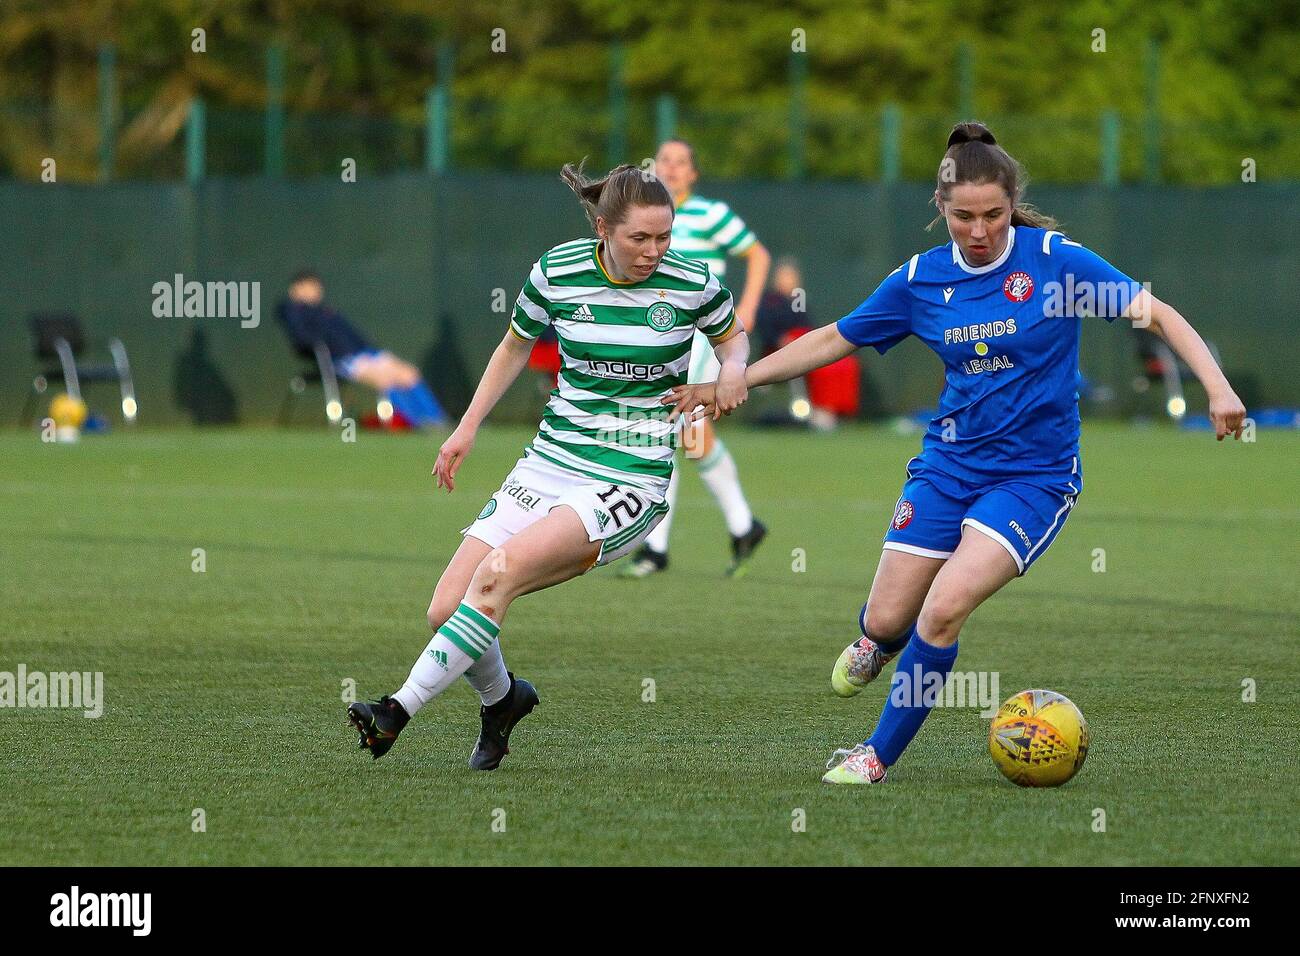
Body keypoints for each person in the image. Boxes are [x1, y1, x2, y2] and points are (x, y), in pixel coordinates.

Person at [665, 122, 1247, 785]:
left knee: (942, 610)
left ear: (1012, 204)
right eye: (964, 216)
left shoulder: (1056, 263)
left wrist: (1218, 387)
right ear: (940, 207)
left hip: (1033, 478)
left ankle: (875, 756)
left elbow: (1158, 313)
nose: (979, 230)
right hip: (947, 467)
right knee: (888, 617)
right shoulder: (920, 279)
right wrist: (735, 379)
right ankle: (877, 640)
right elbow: (833, 338)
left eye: (993, 215)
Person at [347, 161, 748, 769]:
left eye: (664, 237)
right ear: (604, 228)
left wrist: (732, 370)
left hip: (630, 475)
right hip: (550, 461)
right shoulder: (557, 271)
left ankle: (395, 711)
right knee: (445, 609)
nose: (654, 251)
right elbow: (515, 346)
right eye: (640, 238)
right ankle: (503, 700)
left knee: (497, 576)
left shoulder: (692, 282)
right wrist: (466, 427)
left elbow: (732, 338)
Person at [620, 139, 771, 579]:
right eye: (664, 160)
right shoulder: (645, 215)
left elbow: (757, 254)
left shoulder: (710, 213)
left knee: (676, 427)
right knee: (678, 432)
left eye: (680, 162)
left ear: (693, 173)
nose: (670, 167)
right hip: (659, 335)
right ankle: (740, 527)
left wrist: (747, 309)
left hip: (699, 336)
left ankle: (657, 546)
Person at [276, 270, 447, 427]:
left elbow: (355, 336)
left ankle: (438, 420)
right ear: (296, 289)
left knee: (409, 374)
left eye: (316, 287)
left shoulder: (326, 311)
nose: (314, 291)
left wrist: (372, 354)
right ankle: (419, 423)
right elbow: (303, 338)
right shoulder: (293, 311)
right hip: (341, 360)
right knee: (385, 379)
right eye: (308, 287)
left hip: (365, 353)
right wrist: (349, 355)